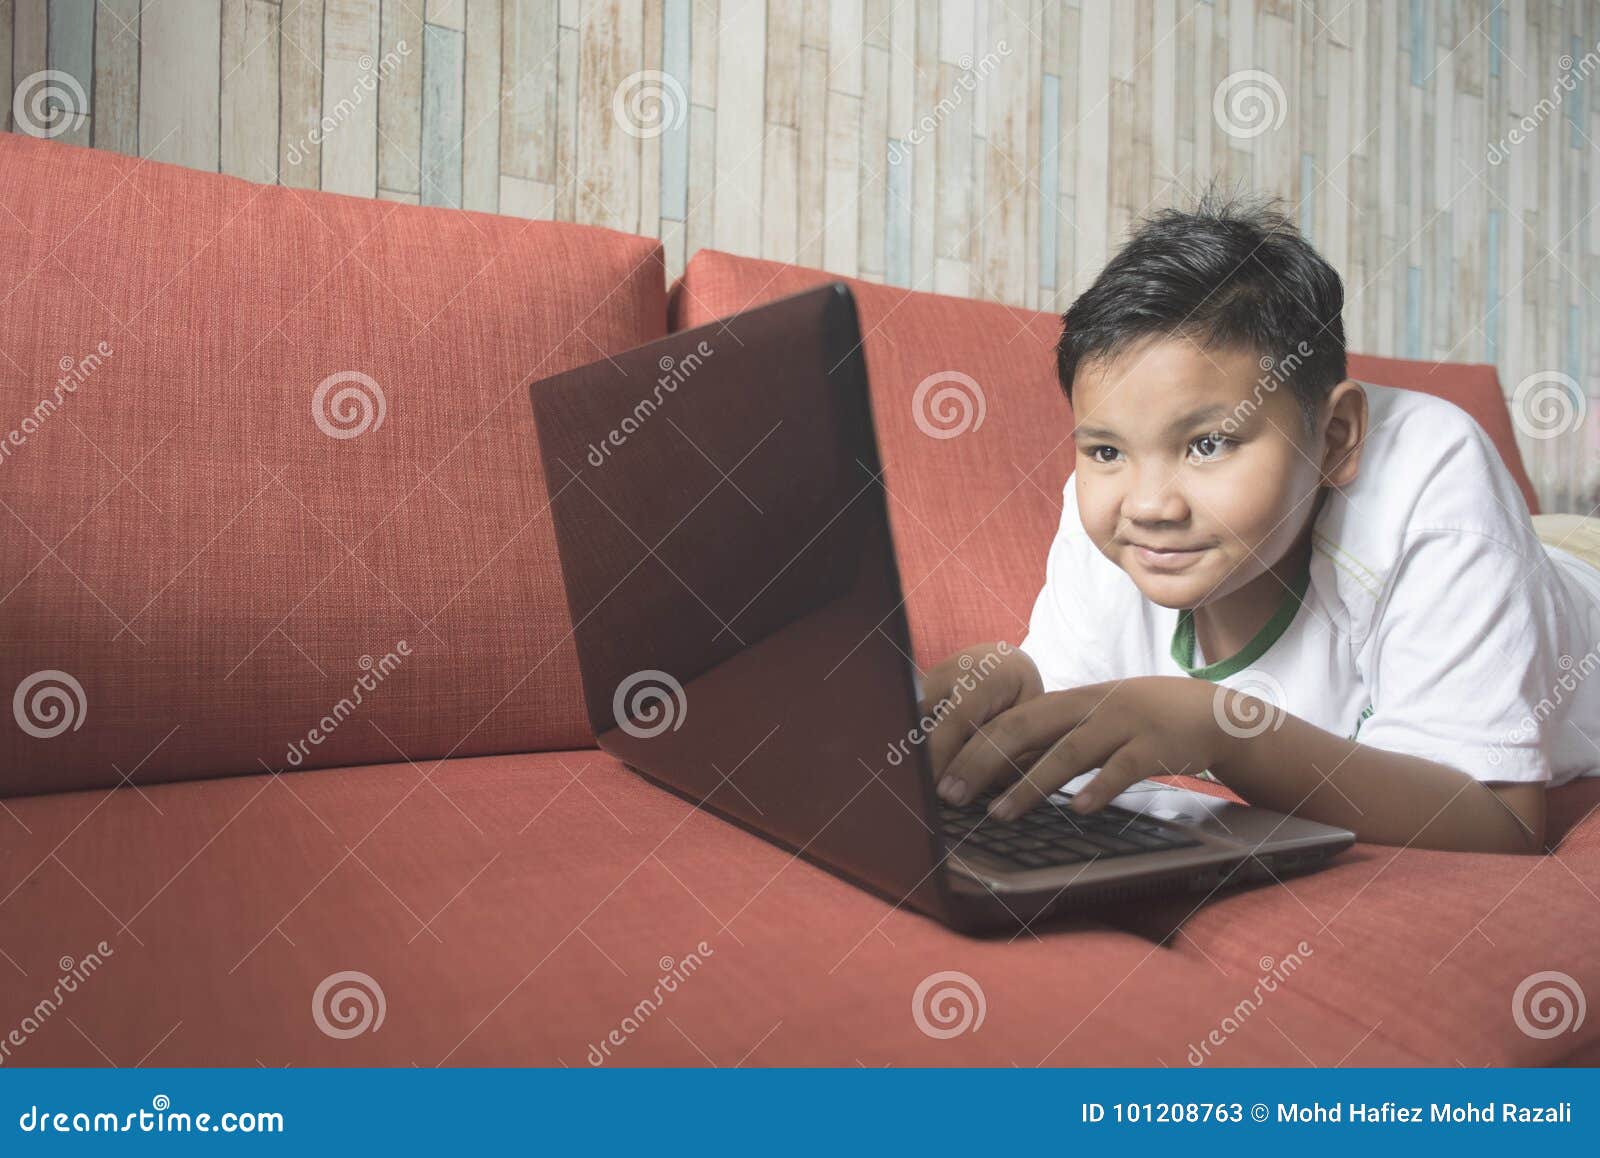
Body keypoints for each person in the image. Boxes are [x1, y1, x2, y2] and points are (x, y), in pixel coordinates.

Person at [919, 191, 1600, 854]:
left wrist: (1227, 731)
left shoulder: (1436, 481)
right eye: (1105, 449)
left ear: (1335, 439)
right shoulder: (1111, 511)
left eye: (1208, 444)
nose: (1150, 504)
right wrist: (1018, 686)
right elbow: (1082, 704)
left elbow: (1499, 821)